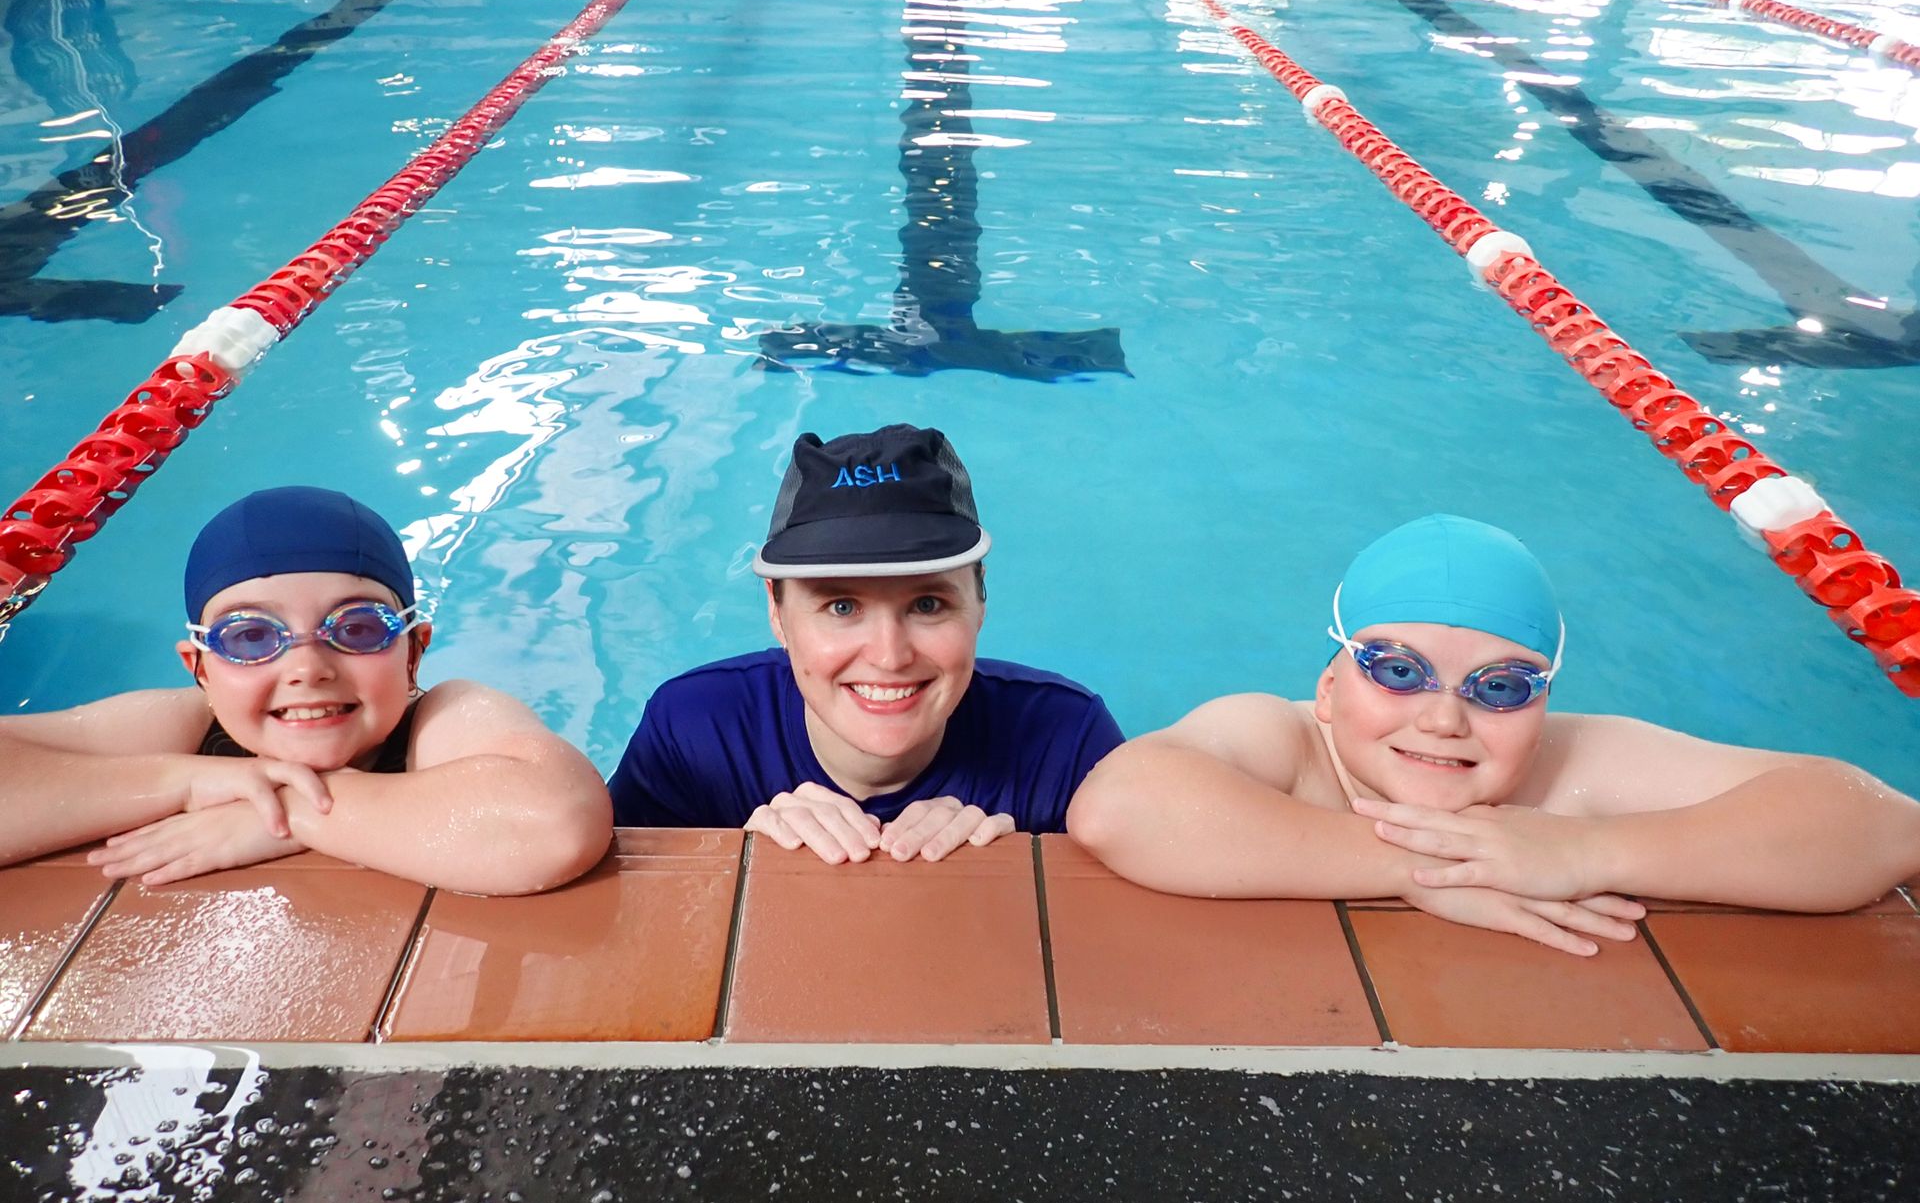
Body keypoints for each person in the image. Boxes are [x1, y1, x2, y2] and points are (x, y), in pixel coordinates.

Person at [1067, 514, 1920, 956]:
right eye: (1397, 670)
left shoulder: (1574, 766)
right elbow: (1120, 806)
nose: (1444, 718)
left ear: (1544, 705)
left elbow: (1883, 822)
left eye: (1500, 687)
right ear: (1328, 689)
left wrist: (1591, 854)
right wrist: (1424, 867)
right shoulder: (1283, 740)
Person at [0, 486, 613, 895]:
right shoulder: (181, 731)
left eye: (357, 629)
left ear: (413, 652)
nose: (308, 667)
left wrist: (289, 812)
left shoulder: (444, 717)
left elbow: (556, 825)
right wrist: (185, 781)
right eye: (250, 637)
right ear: (201, 669)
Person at [608, 424, 1123, 863]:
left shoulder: (1064, 742)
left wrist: (1018, 870)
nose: (889, 656)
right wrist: (740, 862)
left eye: (927, 605)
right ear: (777, 612)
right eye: (842, 607)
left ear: (980, 600)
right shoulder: (695, 733)